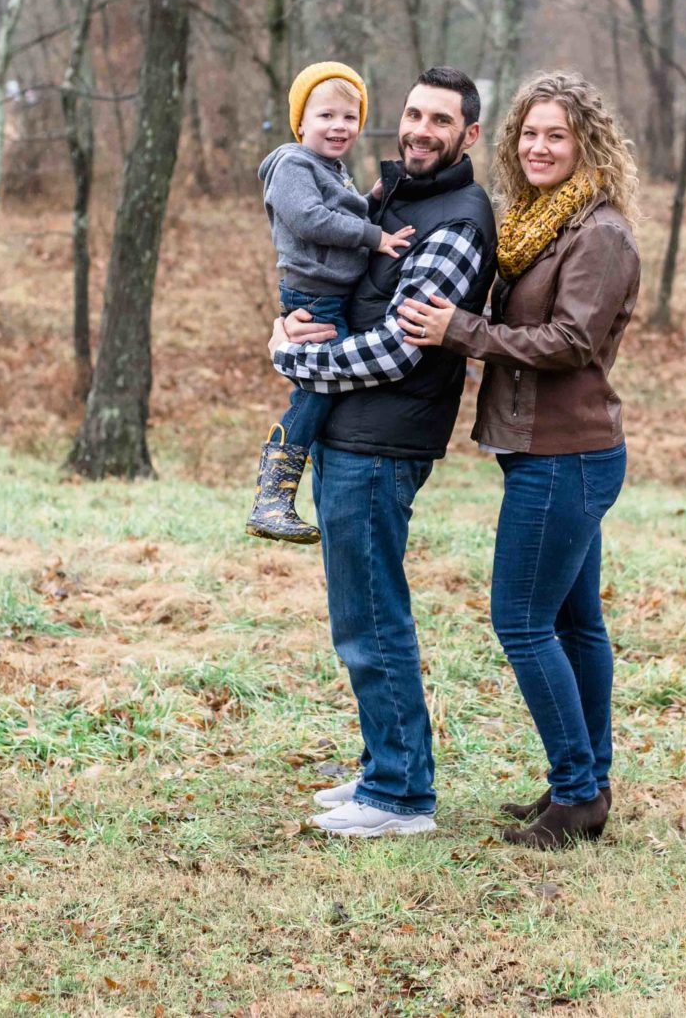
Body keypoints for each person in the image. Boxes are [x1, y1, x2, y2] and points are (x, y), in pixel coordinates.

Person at [395, 71, 640, 849]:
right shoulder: (541, 222)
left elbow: (571, 343)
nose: (539, 146)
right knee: (576, 624)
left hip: (565, 453)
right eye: (530, 132)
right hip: (548, 449)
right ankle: (585, 781)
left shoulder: (599, 233)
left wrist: (461, 330)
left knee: (522, 621)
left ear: (586, 144)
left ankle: (577, 795)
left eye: (556, 134)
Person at [267, 67, 496, 838]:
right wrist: (291, 326)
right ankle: (383, 769)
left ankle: (400, 795)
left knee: (373, 618)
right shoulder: (397, 195)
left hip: (382, 439)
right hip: (349, 429)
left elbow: (401, 347)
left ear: (469, 136)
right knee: (355, 615)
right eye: (413, 113)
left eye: (441, 121)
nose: (420, 129)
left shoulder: (457, 220)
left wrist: (297, 362)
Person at [247, 63, 415, 544]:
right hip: (314, 297)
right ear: (300, 123)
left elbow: (336, 212)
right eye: (326, 116)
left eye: (349, 116)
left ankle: (281, 494)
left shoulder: (331, 170)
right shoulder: (292, 164)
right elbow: (310, 219)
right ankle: (272, 497)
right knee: (320, 387)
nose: (339, 126)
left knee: (324, 386)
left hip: (330, 295)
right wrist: (374, 235)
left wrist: (371, 198)